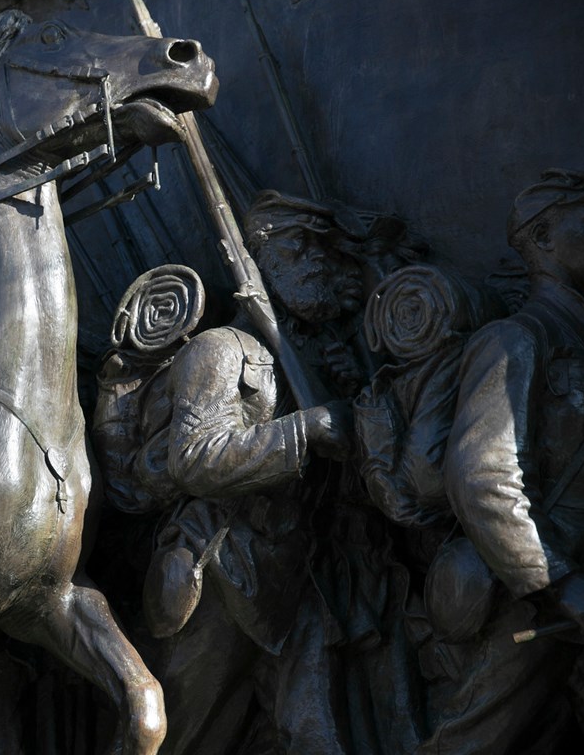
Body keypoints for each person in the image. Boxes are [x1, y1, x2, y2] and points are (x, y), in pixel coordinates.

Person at [135, 190, 421, 753]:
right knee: (189, 734)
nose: (316, 261)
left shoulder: (318, 363)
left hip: (299, 574)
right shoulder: (221, 350)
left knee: (318, 733)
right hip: (222, 565)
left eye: (323, 252)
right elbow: (194, 458)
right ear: (259, 267)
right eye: (298, 251)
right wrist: (305, 429)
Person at [426, 169, 584, 753]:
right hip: (535, 602)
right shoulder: (517, 339)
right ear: (542, 241)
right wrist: (559, 580)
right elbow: (482, 476)